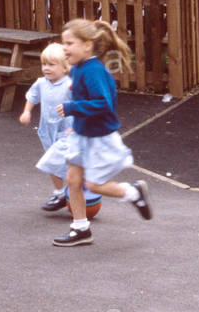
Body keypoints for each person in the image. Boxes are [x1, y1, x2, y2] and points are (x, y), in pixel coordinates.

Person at [51, 19, 152, 247]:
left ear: (87, 45)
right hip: (82, 134)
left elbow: (103, 104)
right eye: (63, 43)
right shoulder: (79, 67)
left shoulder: (94, 70)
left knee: (94, 185)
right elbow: (85, 92)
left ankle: (133, 192)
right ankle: (80, 228)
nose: (64, 48)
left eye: (70, 43)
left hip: (99, 138)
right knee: (73, 179)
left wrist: (73, 107)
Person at [20, 43, 74, 211]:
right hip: (47, 130)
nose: (46, 68)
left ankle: (71, 192)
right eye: (44, 64)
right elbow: (32, 97)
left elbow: (81, 103)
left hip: (67, 131)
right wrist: (27, 112)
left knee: (65, 162)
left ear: (65, 68)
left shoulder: (70, 84)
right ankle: (60, 193)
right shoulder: (41, 83)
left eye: (52, 64)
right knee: (52, 163)